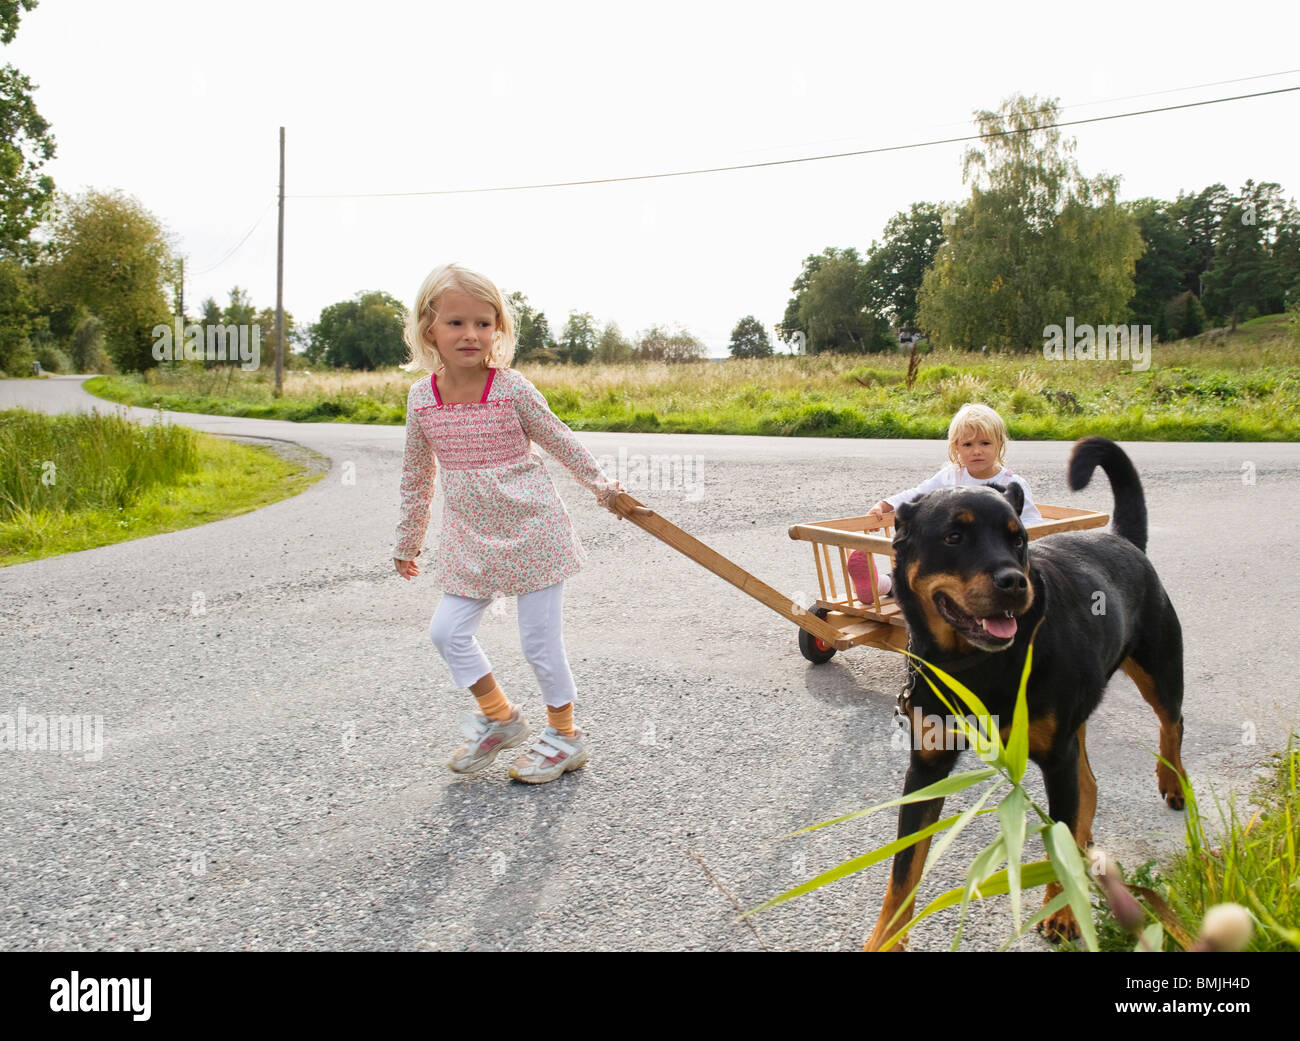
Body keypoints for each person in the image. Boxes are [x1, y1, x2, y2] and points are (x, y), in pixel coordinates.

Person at [392, 263, 625, 784]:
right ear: (429, 329)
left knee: (538, 644)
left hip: (533, 530)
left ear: (498, 328)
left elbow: (560, 438)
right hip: (468, 539)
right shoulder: (420, 398)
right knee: (446, 632)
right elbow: (415, 476)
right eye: (455, 323)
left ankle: (565, 738)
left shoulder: (512, 389)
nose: (470, 334)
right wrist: (408, 541)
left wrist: (601, 486)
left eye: (483, 322)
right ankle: (501, 719)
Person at [847, 402, 1043, 604]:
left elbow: (1032, 523)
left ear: (1000, 443)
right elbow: (918, 494)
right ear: (956, 447)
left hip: (996, 557)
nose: (976, 451)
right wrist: (886, 504)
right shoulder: (952, 476)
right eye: (968, 445)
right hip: (957, 555)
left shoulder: (1012, 484)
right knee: (923, 564)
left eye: (985, 443)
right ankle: (880, 585)